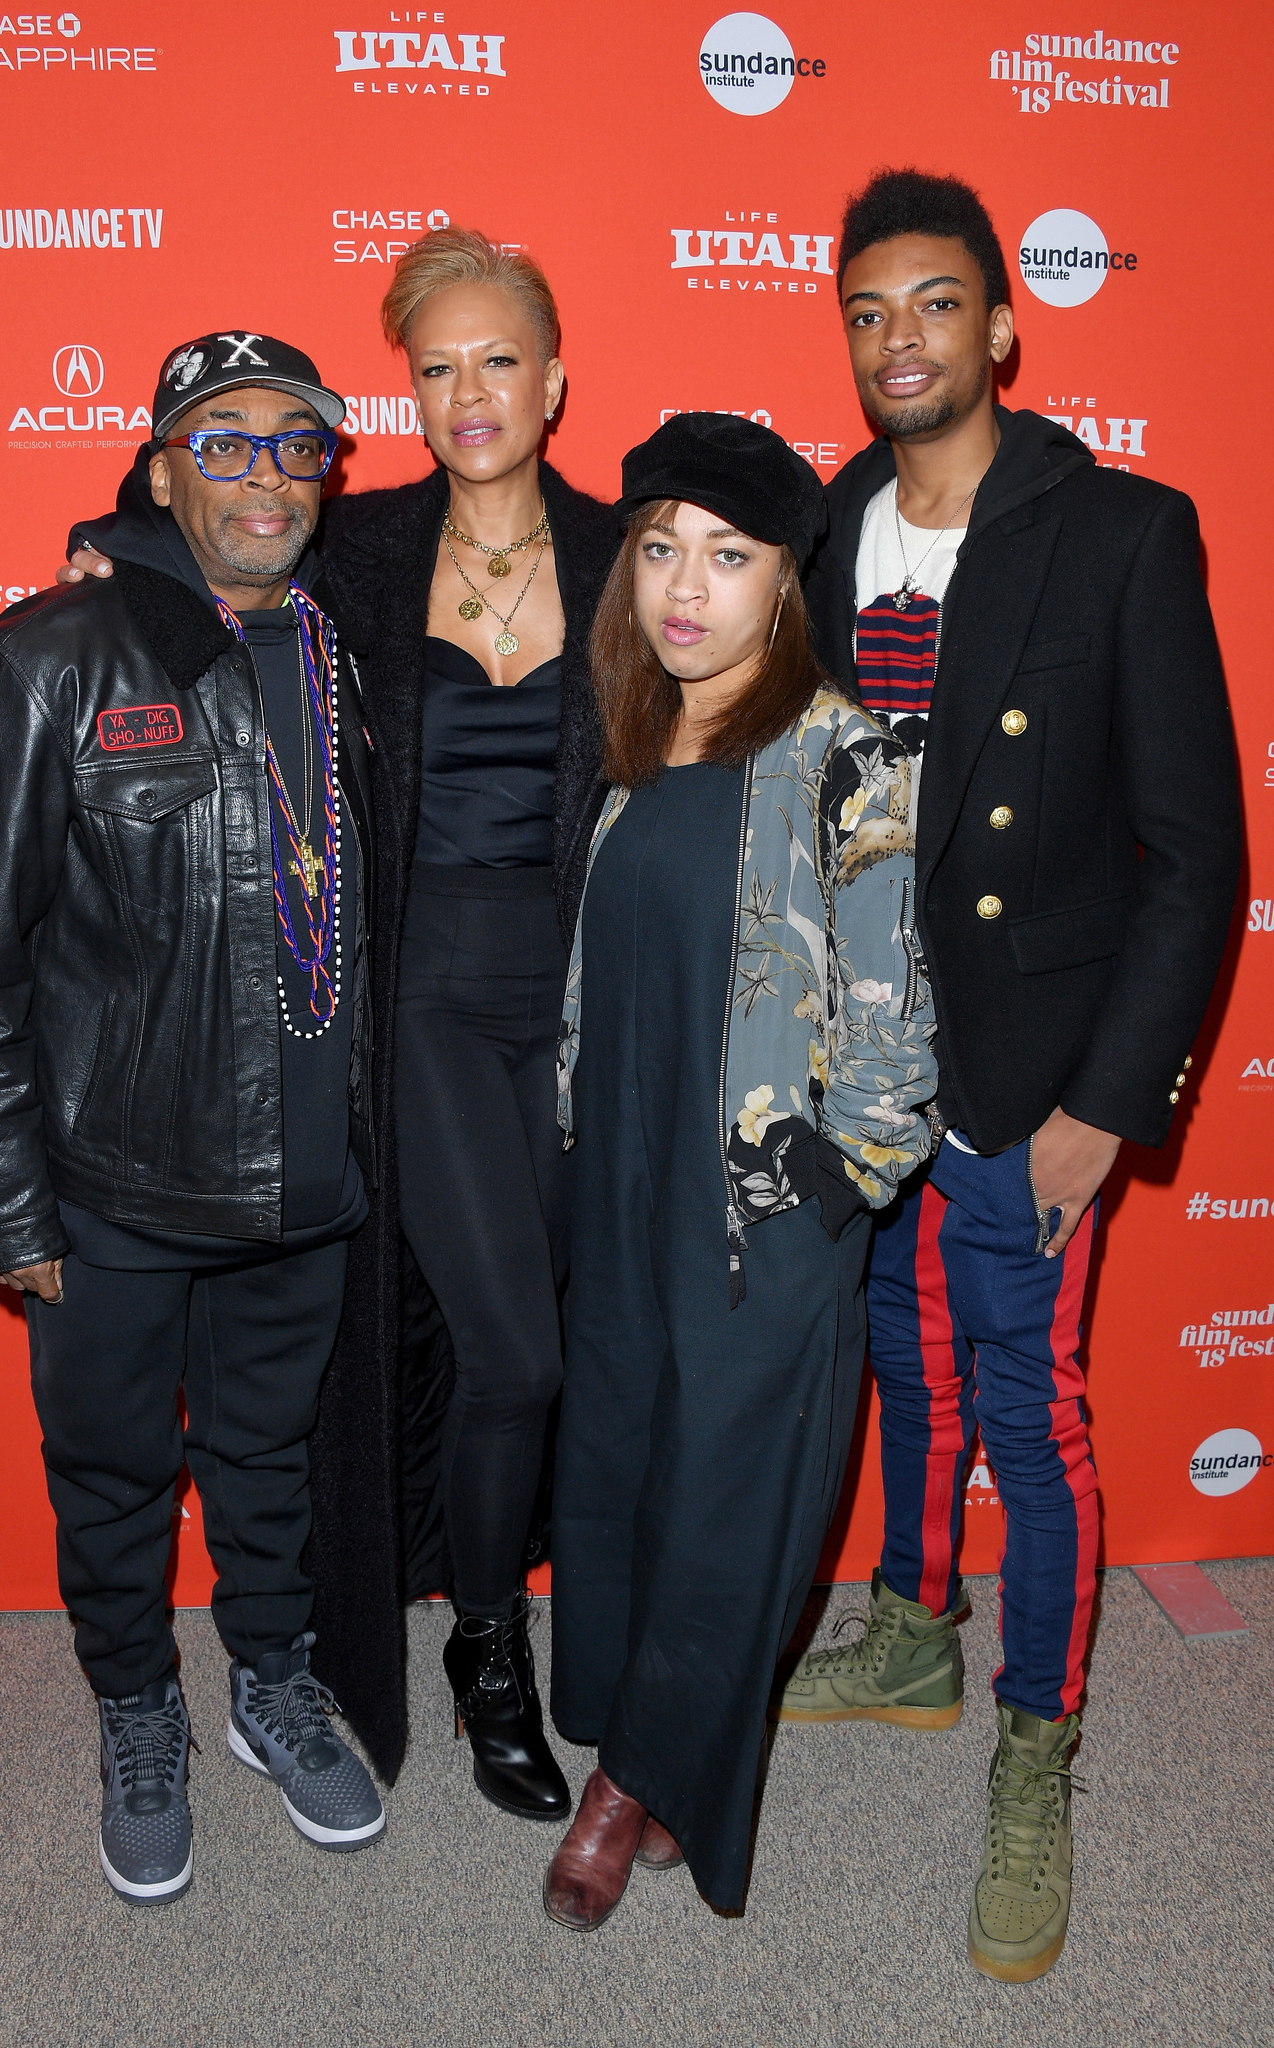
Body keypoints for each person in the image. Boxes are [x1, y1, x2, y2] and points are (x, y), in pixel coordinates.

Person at [65, 233, 620, 1810]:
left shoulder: (623, 552)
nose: (467, 394)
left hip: (578, 1009)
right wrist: (107, 540)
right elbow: (205, 536)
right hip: (418, 1000)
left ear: (553, 377)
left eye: (497, 359)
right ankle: (486, 1647)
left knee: (560, 1340)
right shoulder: (357, 554)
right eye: (435, 365)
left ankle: (532, 1603)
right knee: (511, 1349)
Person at [782, 170, 1241, 1982]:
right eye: (867, 312)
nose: (899, 339)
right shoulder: (819, 532)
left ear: (999, 326)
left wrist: (1102, 1109)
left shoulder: (1117, 531)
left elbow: (1193, 850)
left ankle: (1037, 1745)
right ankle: (908, 1624)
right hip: (855, 1067)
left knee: (1029, 1421)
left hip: (1025, 1079)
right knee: (900, 1365)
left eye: (933, 305)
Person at [0, 332, 386, 1904]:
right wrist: (10, 1206)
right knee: (114, 1471)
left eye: (294, 445)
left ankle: (269, 1679)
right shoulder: (41, 659)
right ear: (161, 467)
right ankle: (136, 1709)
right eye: (225, 442)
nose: (264, 473)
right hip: (115, 1181)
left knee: (269, 1459)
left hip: (308, 1174)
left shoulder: (344, 646)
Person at [542, 413, 938, 1929]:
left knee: (724, 1501)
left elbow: (896, 1007)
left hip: (765, 1209)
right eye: (659, 550)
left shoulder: (847, 755)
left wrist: (840, 1183)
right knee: (631, 1465)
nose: (683, 588)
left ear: (785, 582)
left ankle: (627, 1784)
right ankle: (659, 1742)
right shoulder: (642, 751)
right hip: (635, 1187)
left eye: (726, 556)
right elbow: (608, 983)